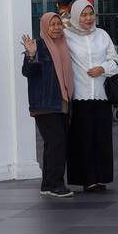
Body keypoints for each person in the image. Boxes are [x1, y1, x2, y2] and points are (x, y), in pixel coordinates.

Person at [64, 0, 118, 192]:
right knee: (83, 139)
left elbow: (115, 61)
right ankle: (87, 179)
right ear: (75, 16)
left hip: (102, 95)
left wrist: (102, 68)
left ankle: (100, 177)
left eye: (91, 14)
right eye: (83, 15)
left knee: (102, 139)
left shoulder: (102, 35)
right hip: (80, 96)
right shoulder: (67, 36)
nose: (88, 19)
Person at [21, 12, 75, 198]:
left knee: (53, 144)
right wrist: (32, 55)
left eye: (58, 24)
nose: (56, 28)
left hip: (62, 102)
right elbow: (28, 72)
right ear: (44, 26)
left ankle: (47, 184)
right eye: (51, 25)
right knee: (57, 142)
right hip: (45, 104)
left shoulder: (63, 45)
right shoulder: (39, 46)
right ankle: (56, 184)